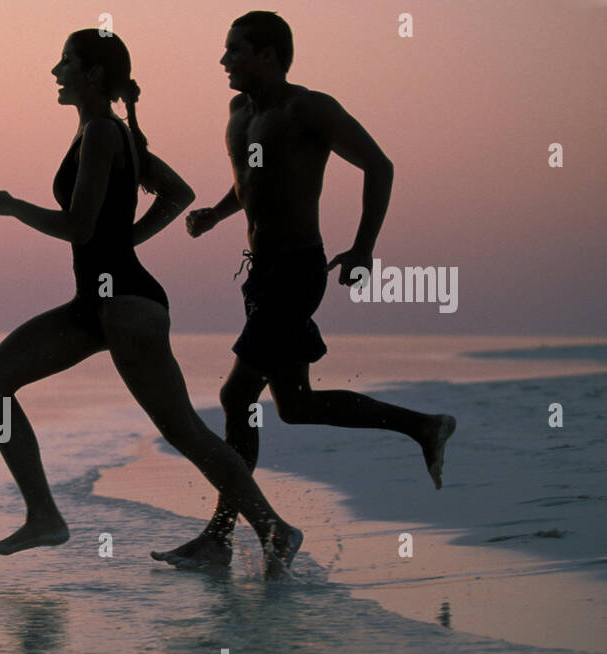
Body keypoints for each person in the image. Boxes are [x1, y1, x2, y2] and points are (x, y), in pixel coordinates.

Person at [0, 28, 302, 577]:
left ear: (93, 74)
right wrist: (125, 241)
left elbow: (79, 226)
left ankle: (275, 530)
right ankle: (44, 515)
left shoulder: (103, 133)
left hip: (127, 307)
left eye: (66, 61)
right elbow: (179, 196)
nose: (56, 71)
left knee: (184, 431)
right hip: (95, 306)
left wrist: (11, 205)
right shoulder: (108, 135)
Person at [153, 11, 456, 568]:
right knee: (293, 404)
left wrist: (364, 248)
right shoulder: (239, 112)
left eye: (234, 50)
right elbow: (252, 180)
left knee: (236, 395)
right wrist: (218, 215)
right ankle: (425, 426)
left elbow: (379, 166)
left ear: (268, 54)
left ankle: (232, 537)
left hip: (296, 271)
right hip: (261, 273)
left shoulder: (307, 108)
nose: (223, 61)